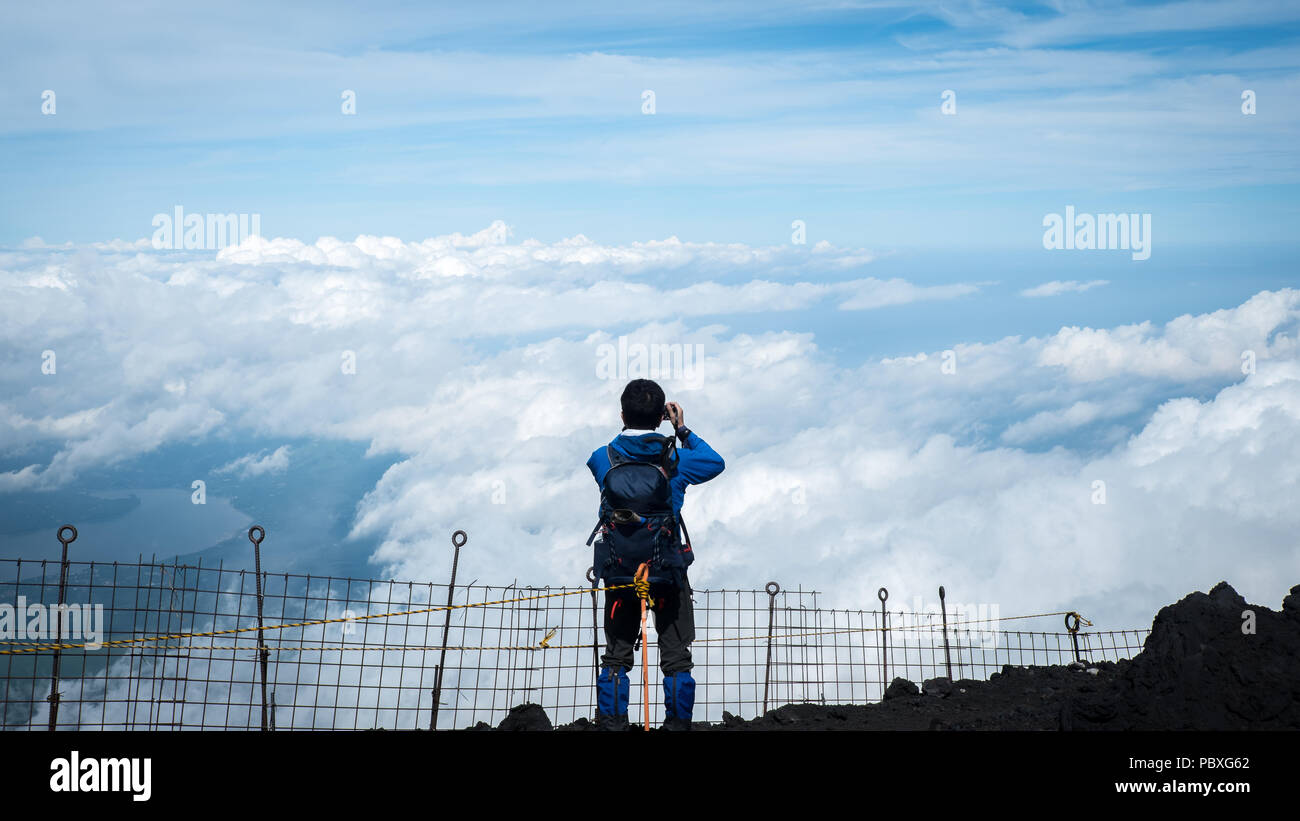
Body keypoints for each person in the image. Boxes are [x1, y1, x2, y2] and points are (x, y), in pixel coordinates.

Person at [585, 378, 724, 731]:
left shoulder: (603, 458)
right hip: (666, 569)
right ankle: (677, 726)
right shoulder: (676, 460)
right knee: (676, 656)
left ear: (622, 413)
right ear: (661, 416)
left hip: (620, 571)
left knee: (616, 655)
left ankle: (613, 724)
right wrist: (681, 429)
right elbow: (714, 462)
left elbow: (601, 465)